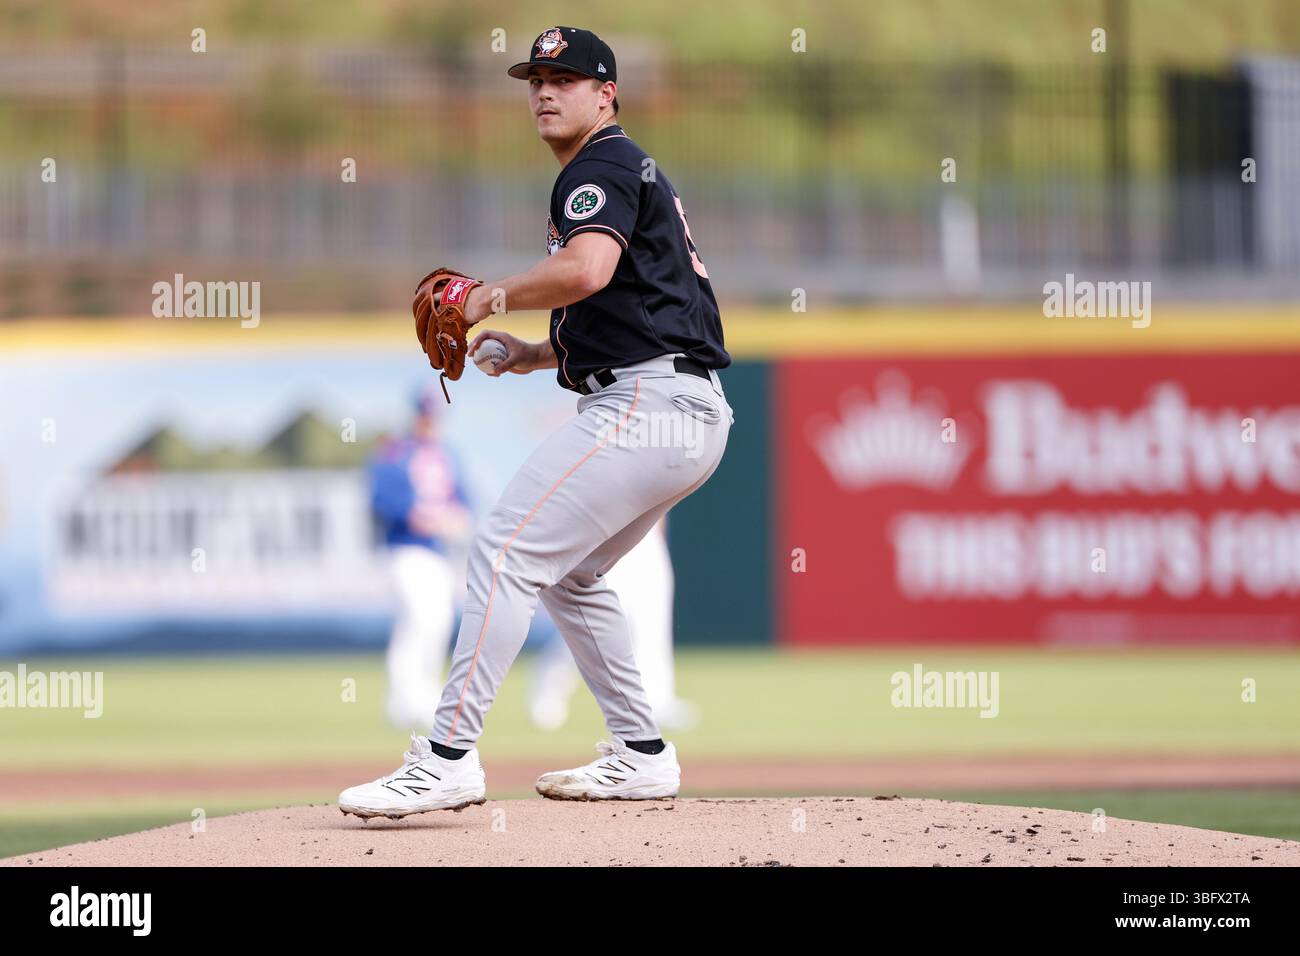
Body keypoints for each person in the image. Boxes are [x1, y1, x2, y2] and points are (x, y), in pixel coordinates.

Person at [339, 25, 731, 818]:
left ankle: (446, 757)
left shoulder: (605, 164)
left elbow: (586, 270)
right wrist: (530, 353)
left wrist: (492, 295)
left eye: (566, 77)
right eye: (535, 78)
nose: (546, 91)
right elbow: (634, 307)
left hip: (650, 403)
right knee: (570, 575)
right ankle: (642, 752)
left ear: (606, 93)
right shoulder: (624, 170)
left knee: (503, 551)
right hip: (686, 409)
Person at [529, 518, 699, 731]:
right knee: (589, 624)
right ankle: (551, 682)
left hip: (647, 537)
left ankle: (658, 701)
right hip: (606, 531)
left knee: (652, 624)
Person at [367, 388, 471, 730]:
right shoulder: (396, 452)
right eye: (426, 415)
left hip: (439, 553)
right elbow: (382, 502)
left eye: (435, 415)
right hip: (406, 549)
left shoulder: (447, 454)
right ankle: (405, 698)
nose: (430, 421)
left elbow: (465, 504)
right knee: (419, 618)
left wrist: (455, 519)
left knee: (436, 623)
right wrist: (418, 516)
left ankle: (418, 697)